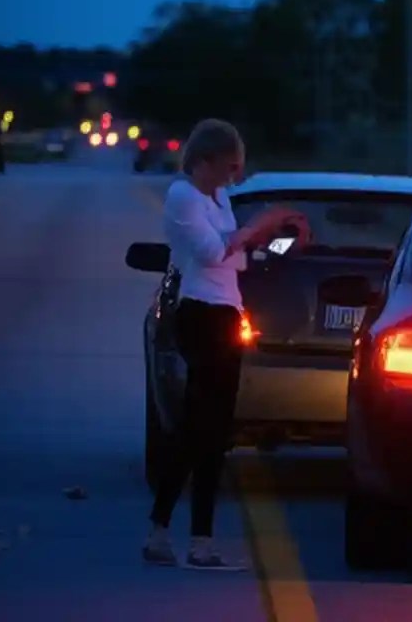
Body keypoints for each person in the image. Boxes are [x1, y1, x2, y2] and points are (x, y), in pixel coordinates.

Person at [142, 119, 309, 569]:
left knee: (211, 430)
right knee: (201, 425)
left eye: (238, 167)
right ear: (206, 159)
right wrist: (261, 222)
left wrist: (280, 241)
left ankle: (185, 535)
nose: (234, 175)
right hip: (199, 312)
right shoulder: (184, 196)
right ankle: (183, 535)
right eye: (229, 166)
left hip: (227, 312)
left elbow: (241, 256)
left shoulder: (219, 200)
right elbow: (212, 253)